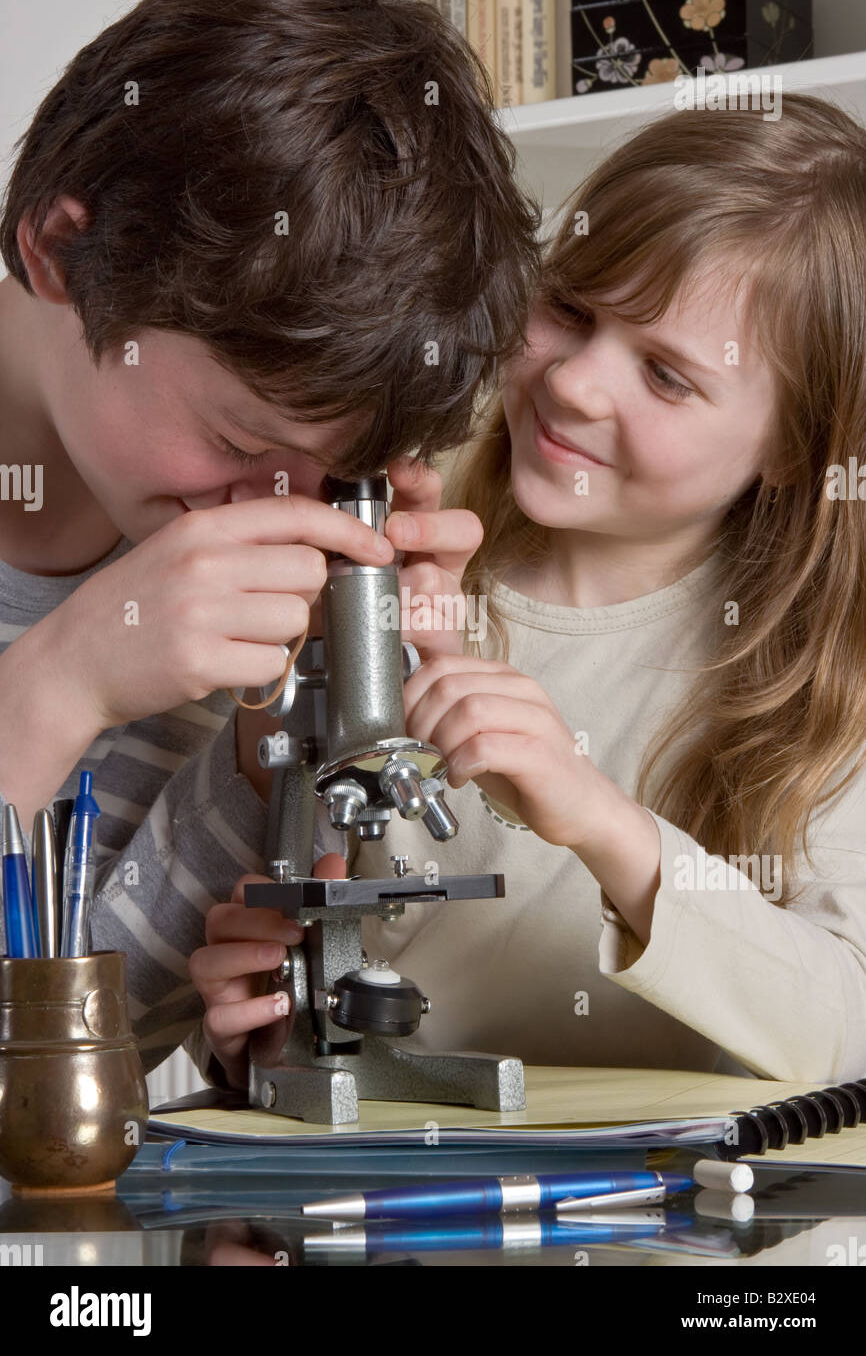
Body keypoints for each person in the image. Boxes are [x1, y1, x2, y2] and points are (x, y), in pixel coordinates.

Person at [191, 91, 866, 1090]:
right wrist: (259, 1028)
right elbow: (343, 973)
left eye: (667, 376)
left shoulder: (819, 695)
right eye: (570, 310)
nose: (577, 383)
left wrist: (599, 817)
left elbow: (844, 1032)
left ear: (787, 450)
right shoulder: (389, 585)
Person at [0, 0, 541, 1077]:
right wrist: (53, 689)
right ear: (59, 252)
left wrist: (270, 748)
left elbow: (75, 1045)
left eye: (330, 476)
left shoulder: (219, 536)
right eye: (246, 447)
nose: (279, 514)